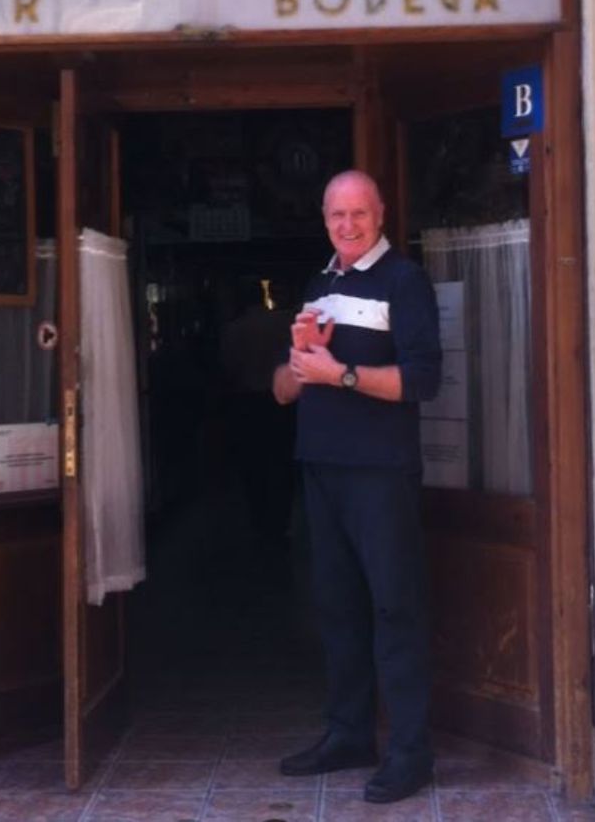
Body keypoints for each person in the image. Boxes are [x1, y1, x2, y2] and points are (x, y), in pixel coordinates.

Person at [271, 170, 442, 804]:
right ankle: (348, 735)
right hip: (322, 467)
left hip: (380, 473)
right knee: (337, 607)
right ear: (324, 219)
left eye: (358, 214)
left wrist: (340, 373)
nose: (347, 225)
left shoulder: (405, 280)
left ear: (381, 214)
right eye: (336, 215)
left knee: (395, 609)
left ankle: (411, 754)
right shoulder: (320, 284)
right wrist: (298, 366)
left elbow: (423, 380)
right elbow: (285, 389)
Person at [218, 277, 298, 567]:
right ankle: (281, 522)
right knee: (282, 461)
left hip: (248, 402)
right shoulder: (284, 323)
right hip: (281, 403)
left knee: (253, 464)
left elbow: (228, 368)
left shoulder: (234, 330)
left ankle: (260, 521)